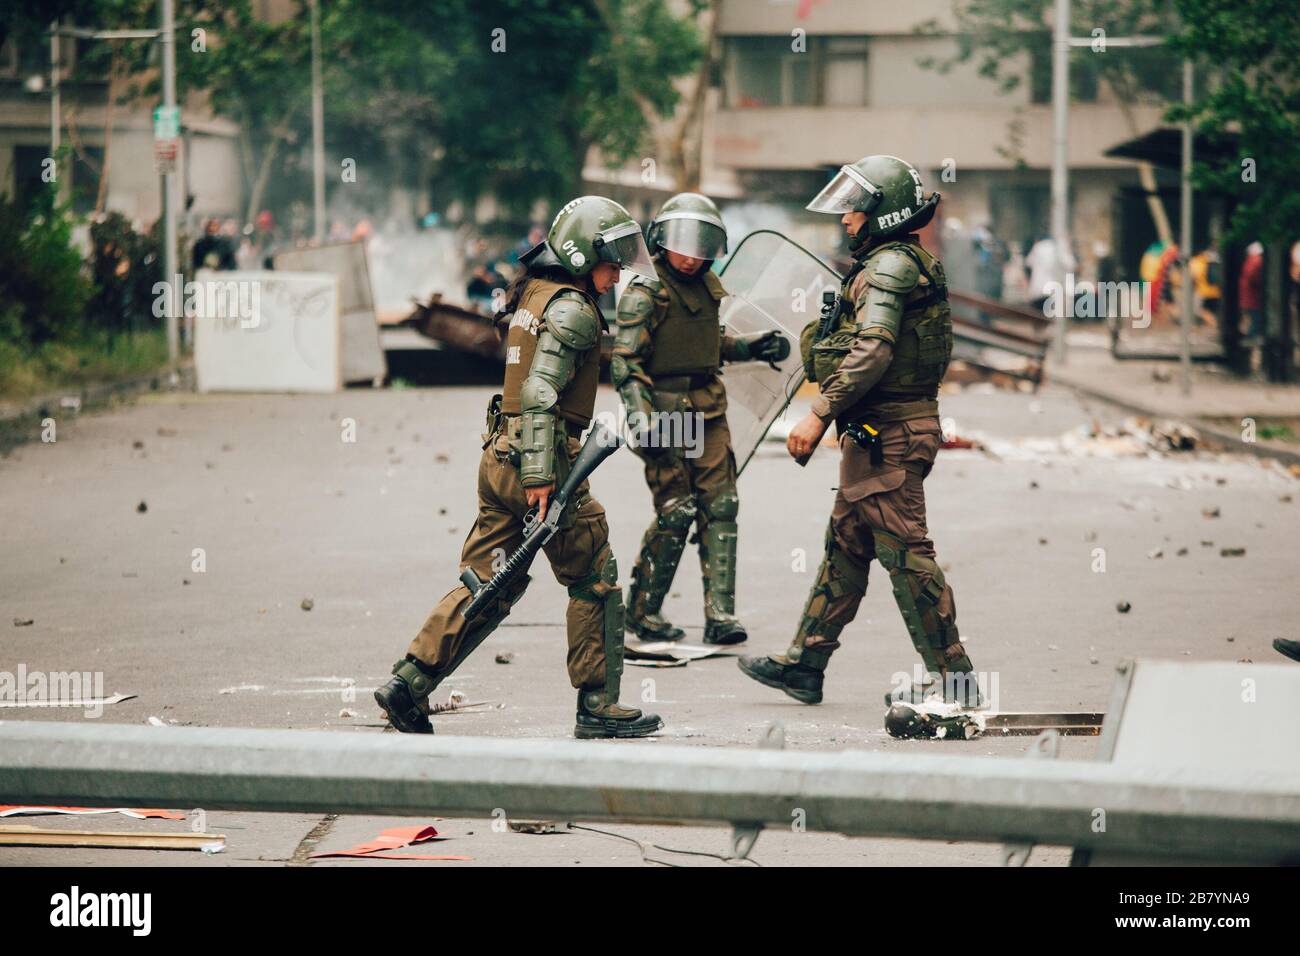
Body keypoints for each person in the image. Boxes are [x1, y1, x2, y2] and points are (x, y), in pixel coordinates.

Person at [374, 196, 664, 739]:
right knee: (594, 577)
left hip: (500, 456)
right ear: (581, 255)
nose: (618, 272)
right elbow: (538, 392)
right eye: (611, 259)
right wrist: (540, 477)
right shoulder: (573, 308)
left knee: (488, 582)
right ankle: (599, 706)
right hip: (542, 461)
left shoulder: (532, 292)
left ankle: (408, 682)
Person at [737, 154, 980, 707]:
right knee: (847, 545)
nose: (846, 218)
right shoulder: (888, 263)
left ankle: (958, 680)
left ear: (885, 213)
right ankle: (805, 663)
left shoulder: (891, 266)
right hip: (876, 431)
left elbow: (874, 348)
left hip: (891, 432)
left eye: (855, 208)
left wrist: (820, 409)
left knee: (907, 556)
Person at [611, 193, 790, 646]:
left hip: (707, 407)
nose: (691, 257)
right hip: (666, 410)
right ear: (660, 241)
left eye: (701, 246)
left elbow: (710, 343)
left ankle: (721, 616)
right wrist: (641, 417)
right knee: (677, 511)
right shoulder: (646, 291)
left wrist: (751, 347)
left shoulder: (708, 286)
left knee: (722, 506)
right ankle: (643, 612)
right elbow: (625, 362)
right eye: (682, 245)